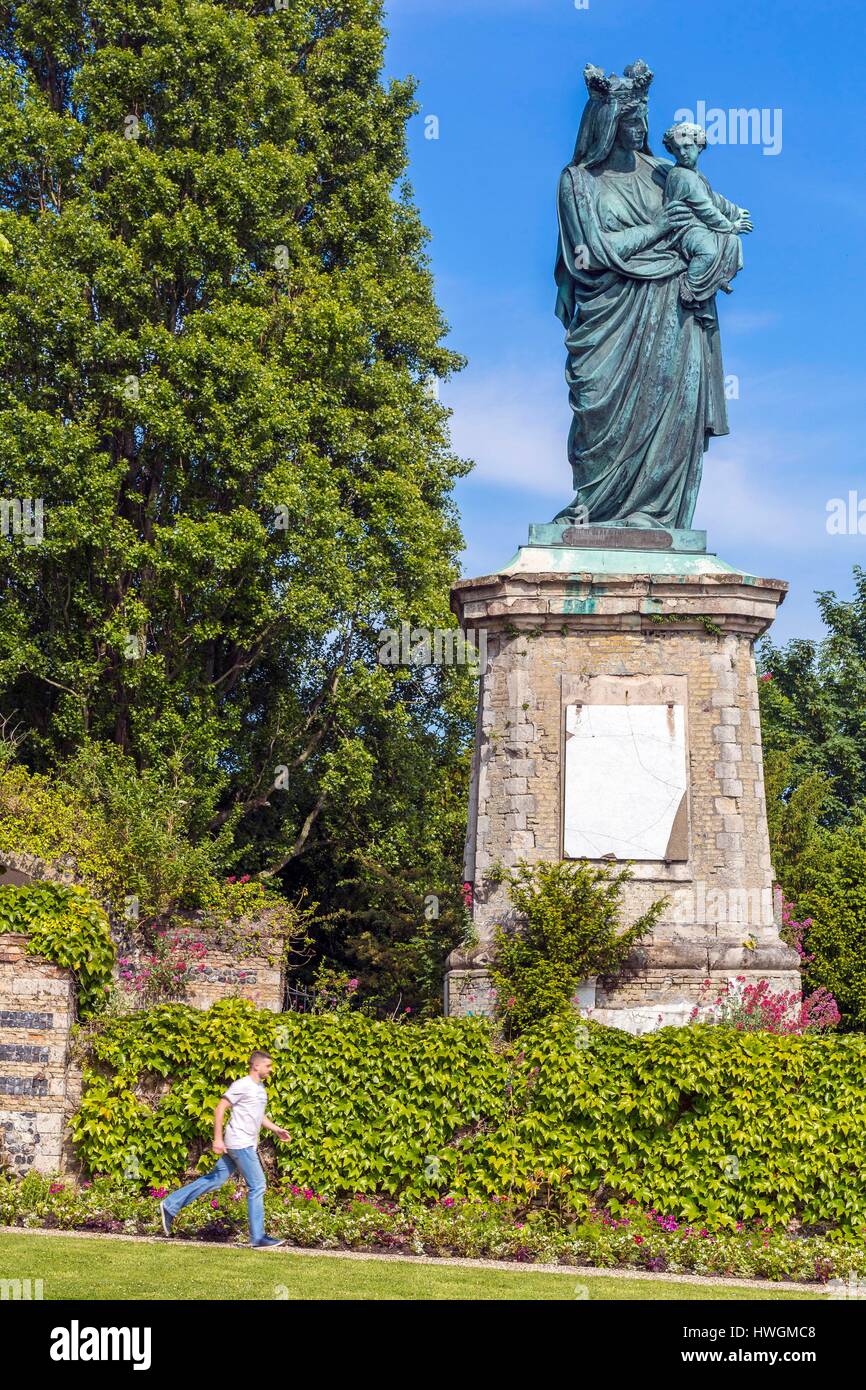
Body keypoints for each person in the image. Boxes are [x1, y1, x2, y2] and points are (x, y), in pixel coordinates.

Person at [553, 61, 730, 529]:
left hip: (673, 307)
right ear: (605, 123)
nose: (641, 129)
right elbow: (592, 252)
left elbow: (709, 225)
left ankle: (652, 514)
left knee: (672, 411)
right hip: (609, 319)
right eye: (629, 120)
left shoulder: (667, 174)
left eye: (644, 119)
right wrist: (657, 229)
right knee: (597, 408)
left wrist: (719, 244)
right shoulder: (577, 182)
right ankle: (595, 503)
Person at [160, 1050, 290, 1248]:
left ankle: (170, 1204)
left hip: (243, 1143)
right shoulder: (242, 1085)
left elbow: (257, 1115)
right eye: (268, 1066)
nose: (270, 1070)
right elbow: (220, 1108)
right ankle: (258, 1238)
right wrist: (218, 1139)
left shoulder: (259, 1088)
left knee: (217, 1178)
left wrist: (276, 1129)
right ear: (256, 1066)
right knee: (258, 1185)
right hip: (240, 1143)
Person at [662, 120, 752, 319]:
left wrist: (735, 210)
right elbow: (706, 209)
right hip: (685, 229)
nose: (683, 152)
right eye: (677, 149)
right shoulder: (682, 176)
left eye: (687, 147)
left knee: (732, 242)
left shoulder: (696, 175)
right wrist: (731, 226)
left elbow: (714, 199)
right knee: (709, 251)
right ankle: (690, 286)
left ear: (699, 146)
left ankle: (716, 278)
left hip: (700, 226)